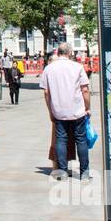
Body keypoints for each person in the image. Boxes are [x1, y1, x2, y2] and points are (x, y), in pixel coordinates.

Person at [40, 42, 91, 180]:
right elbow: (85, 90)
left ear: (58, 53)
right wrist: (87, 107)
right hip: (77, 110)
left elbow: (46, 92)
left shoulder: (49, 69)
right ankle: (84, 173)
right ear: (69, 53)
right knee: (81, 140)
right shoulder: (77, 67)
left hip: (58, 111)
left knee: (61, 140)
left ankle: (61, 172)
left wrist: (50, 110)